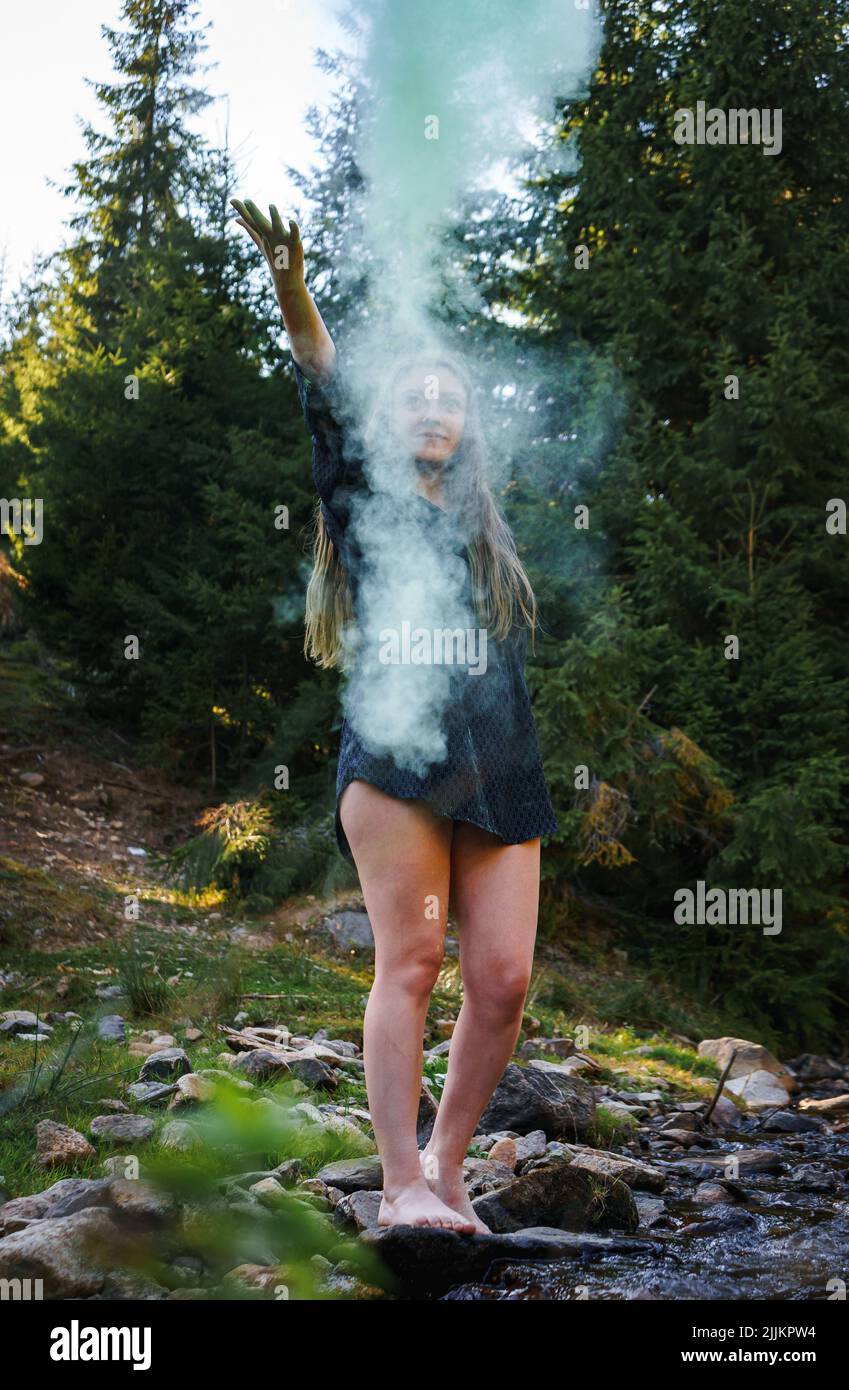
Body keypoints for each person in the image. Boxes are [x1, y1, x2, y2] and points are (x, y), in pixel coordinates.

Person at [231, 198, 558, 1235]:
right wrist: (291, 284)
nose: (429, 404)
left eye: (447, 395)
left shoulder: (485, 533)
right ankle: (398, 1181)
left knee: (501, 979)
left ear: (465, 424)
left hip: (499, 767)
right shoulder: (363, 495)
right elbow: (325, 390)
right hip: (397, 763)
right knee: (412, 963)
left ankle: (447, 1167)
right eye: (411, 391)